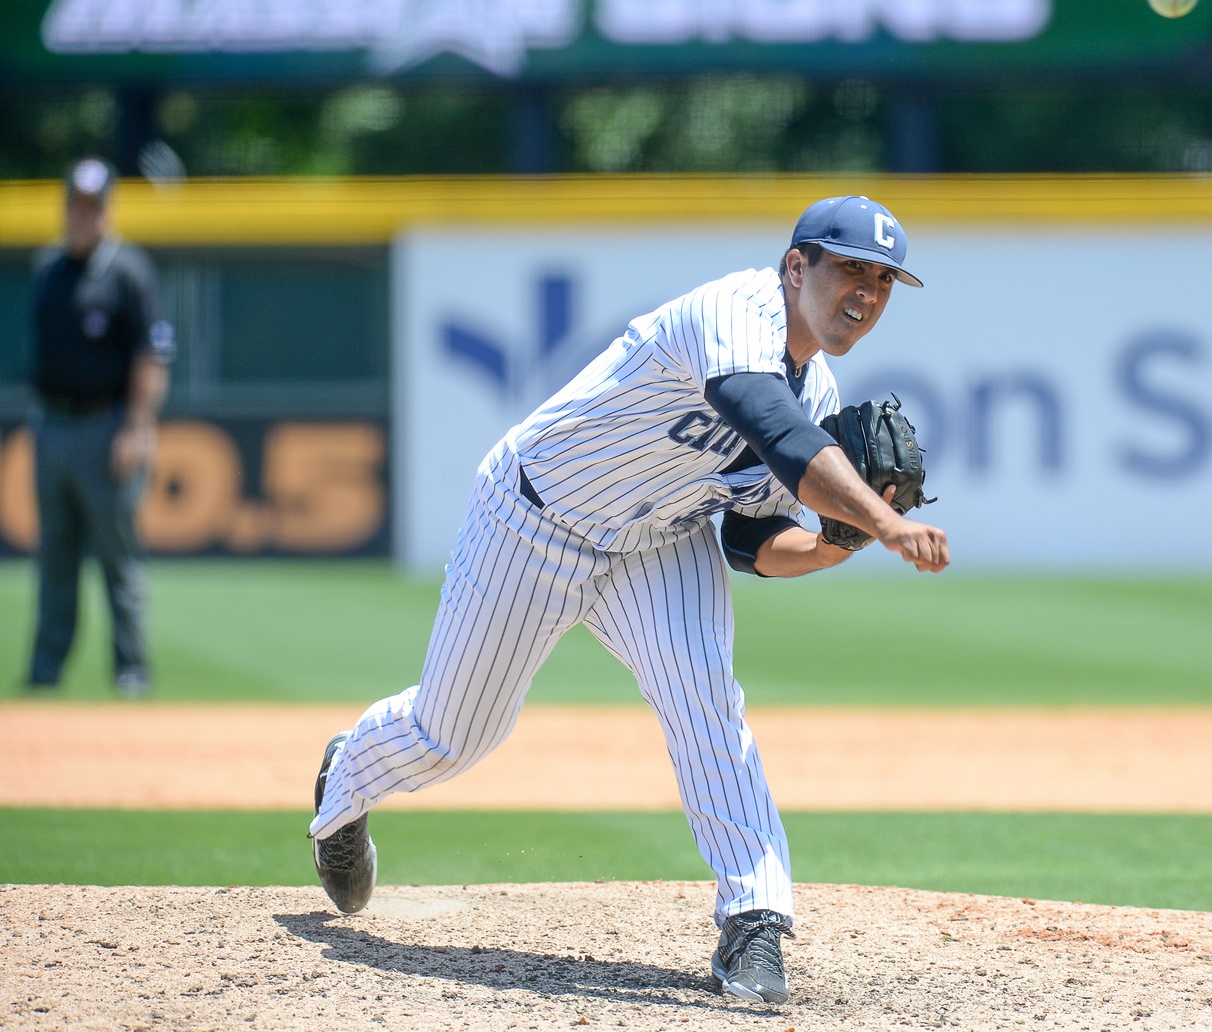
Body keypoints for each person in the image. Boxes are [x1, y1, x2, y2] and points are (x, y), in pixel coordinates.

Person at [309, 195, 949, 1004]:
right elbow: (774, 431)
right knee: (455, 734)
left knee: (706, 696)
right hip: (535, 516)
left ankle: (755, 919)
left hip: (658, 542)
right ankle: (347, 781)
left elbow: (748, 545)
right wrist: (883, 517)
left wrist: (835, 542)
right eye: (850, 267)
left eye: (884, 280)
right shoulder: (733, 312)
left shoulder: (816, 390)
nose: (866, 291)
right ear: (797, 266)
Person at [24, 157, 173, 698]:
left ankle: (130, 669)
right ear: (65, 207)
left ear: (107, 210)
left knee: (118, 556)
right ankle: (45, 671)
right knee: (55, 557)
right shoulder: (49, 269)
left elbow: (151, 356)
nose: (83, 216)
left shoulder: (129, 271)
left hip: (107, 425)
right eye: (75, 205)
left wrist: (137, 428)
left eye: (93, 206)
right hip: (54, 425)